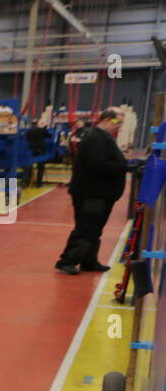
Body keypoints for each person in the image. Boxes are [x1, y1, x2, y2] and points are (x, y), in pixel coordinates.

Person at [55, 108, 129, 275]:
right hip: (92, 193)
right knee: (86, 228)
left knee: (95, 229)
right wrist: (123, 166)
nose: (119, 127)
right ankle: (67, 261)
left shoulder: (103, 137)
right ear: (107, 119)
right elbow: (98, 165)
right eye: (118, 122)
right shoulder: (96, 138)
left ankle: (89, 261)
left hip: (99, 193)